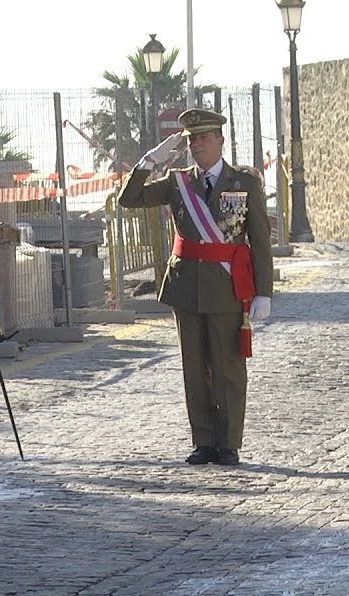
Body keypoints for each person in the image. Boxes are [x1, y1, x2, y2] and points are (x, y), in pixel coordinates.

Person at [117, 109, 273, 465]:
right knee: (194, 367)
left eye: (204, 137)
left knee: (228, 368)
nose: (197, 144)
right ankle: (203, 440)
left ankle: (228, 442)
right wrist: (150, 161)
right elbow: (130, 199)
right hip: (186, 286)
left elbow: (260, 240)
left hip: (227, 286)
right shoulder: (177, 182)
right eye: (191, 140)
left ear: (220, 139)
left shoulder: (244, 182)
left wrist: (264, 291)